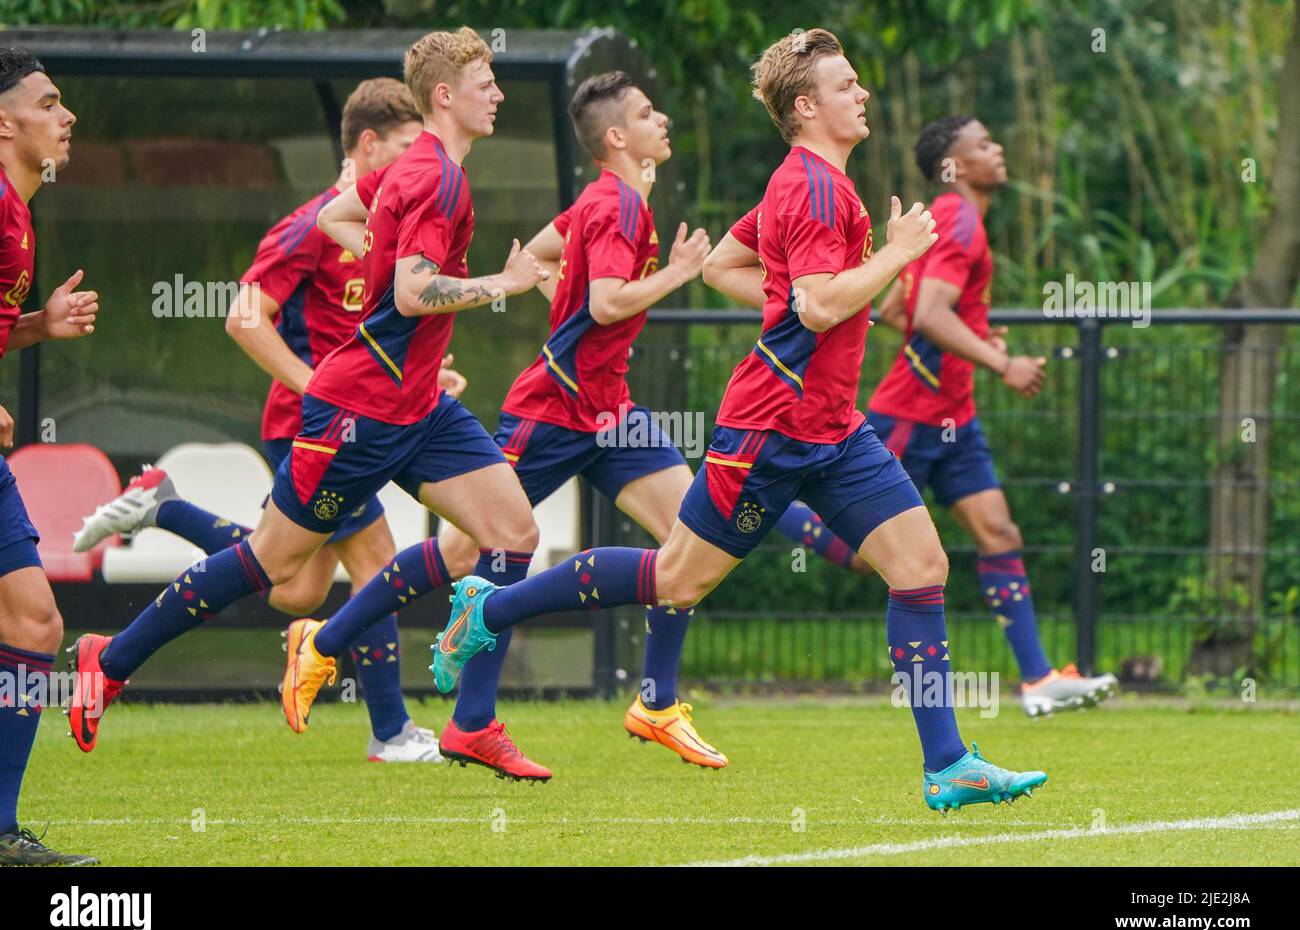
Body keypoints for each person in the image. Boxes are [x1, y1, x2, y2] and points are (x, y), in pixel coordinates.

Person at [392, 28, 1047, 812]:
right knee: (674, 577)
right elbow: (816, 300)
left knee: (921, 567)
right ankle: (489, 608)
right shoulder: (809, 188)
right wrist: (898, 253)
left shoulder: (813, 183)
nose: (862, 94)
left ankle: (947, 765)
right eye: (846, 86)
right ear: (806, 107)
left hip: (834, 428)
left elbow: (735, 268)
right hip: (769, 429)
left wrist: (819, 290)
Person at [68, 30, 548, 780]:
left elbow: (337, 221)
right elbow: (412, 291)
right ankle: (112, 659)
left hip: (417, 406)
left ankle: (472, 722)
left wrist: (379, 249)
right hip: (354, 413)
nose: (500, 94)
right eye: (487, 82)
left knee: (514, 532)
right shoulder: (437, 178)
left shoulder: (420, 170)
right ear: (446, 96)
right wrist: (504, 285)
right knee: (277, 570)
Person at [309, 71, 724, 770]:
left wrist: (548, 291)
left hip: (609, 409)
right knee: (470, 552)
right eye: (651, 114)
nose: (665, 123)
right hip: (555, 408)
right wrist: (674, 274)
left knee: (692, 546)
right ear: (618, 137)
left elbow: (537, 259)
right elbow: (607, 304)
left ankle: (654, 702)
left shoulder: (611, 202)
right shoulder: (615, 203)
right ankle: (329, 645)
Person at [708, 115, 1117, 716]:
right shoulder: (957, 216)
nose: (998, 148)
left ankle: (1037, 678)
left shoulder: (955, 220)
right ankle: (758, 505)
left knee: (999, 533)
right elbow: (927, 311)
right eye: (983, 144)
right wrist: (1001, 364)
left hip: (956, 414)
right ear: (955, 164)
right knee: (858, 553)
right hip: (915, 411)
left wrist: (976, 337)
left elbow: (900, 307)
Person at [0, 48, 100, 865]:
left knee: (35, 620)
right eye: (49, 102)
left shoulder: (19, 213)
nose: (66, 117)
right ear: (5, 121)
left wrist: (39, 323)